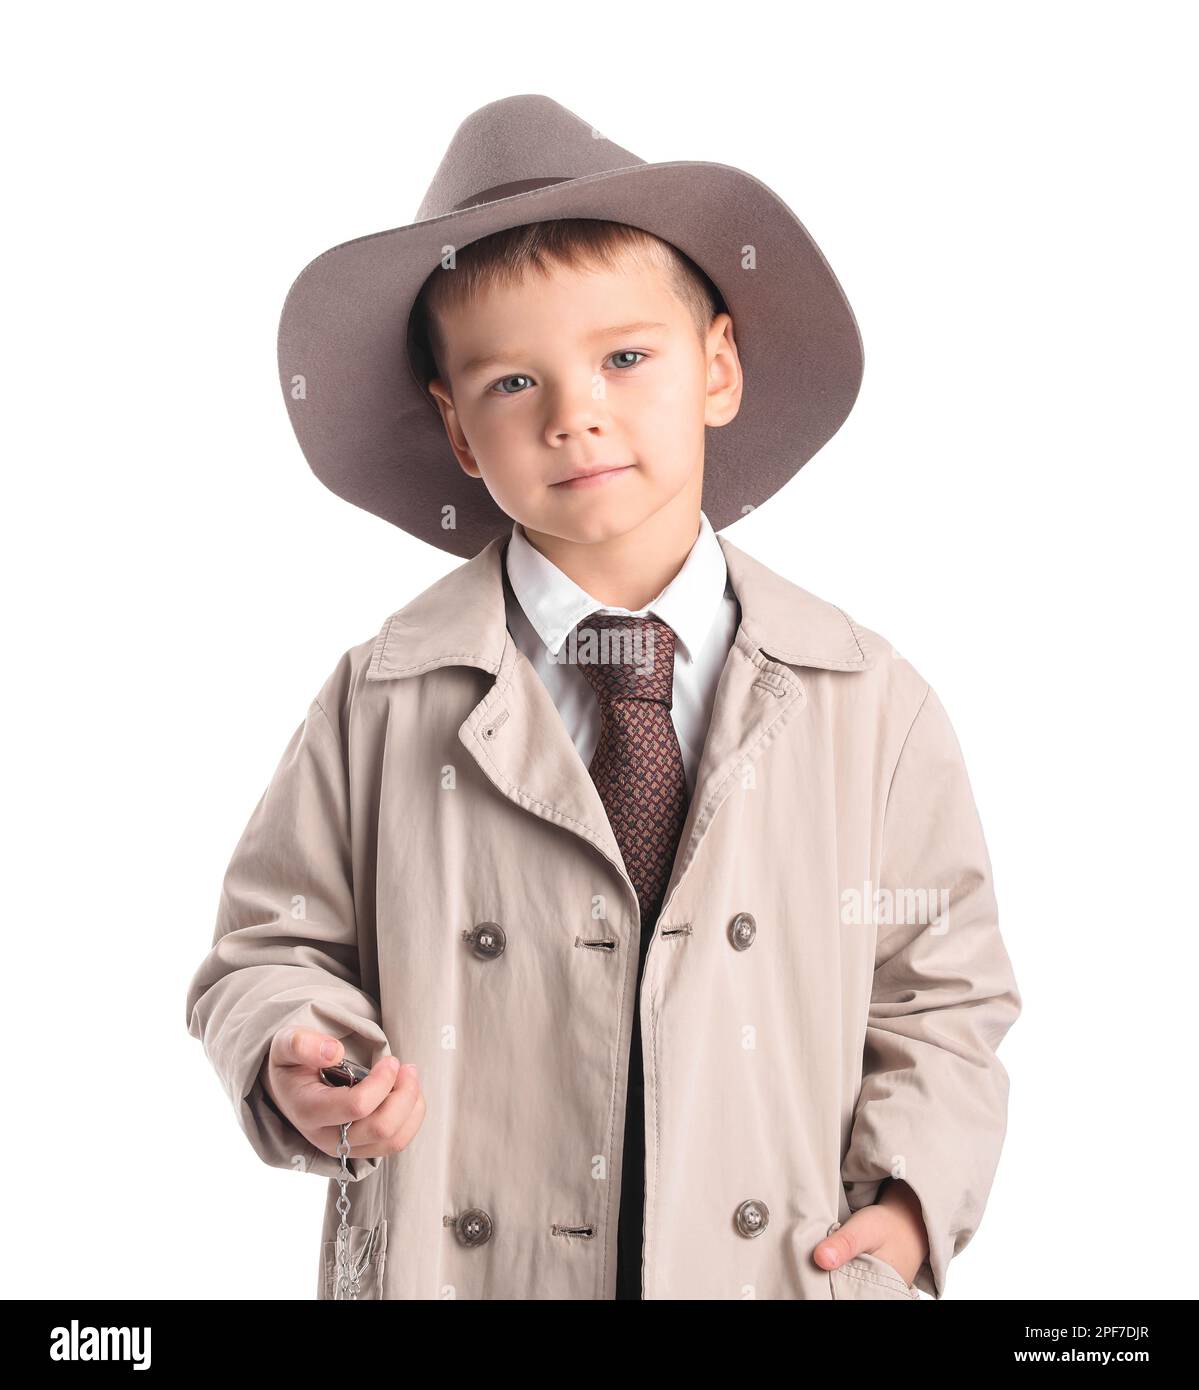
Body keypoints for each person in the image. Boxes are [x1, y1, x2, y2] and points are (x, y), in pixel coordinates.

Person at [185, 94, 1021, 1301]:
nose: (573, 412)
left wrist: (903, 1199)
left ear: (716, 366)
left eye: (625, 357)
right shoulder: (382, 698)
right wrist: (291, 1048)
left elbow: (943, 985)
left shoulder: (866, 702)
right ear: (458, 431)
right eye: (513, 380)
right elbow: (267, 944)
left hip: (773, 1267)